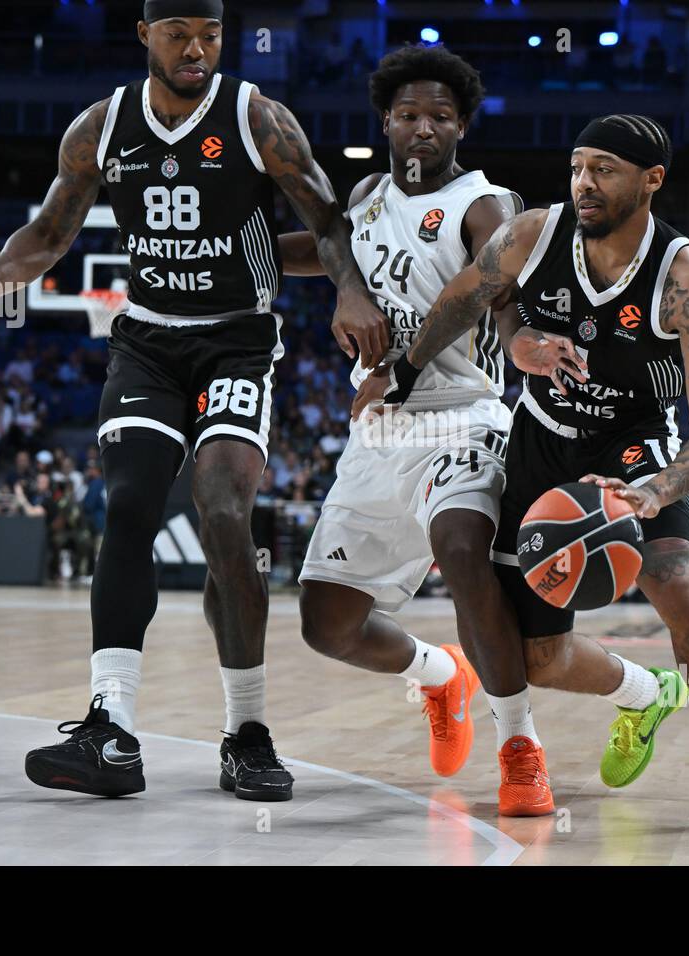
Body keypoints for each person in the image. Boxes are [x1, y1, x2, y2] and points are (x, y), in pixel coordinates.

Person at [0, 1, 387, 800]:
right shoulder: (100, 127)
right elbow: (46, 237)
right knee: (128, 503)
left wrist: (350, 291)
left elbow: (328, 218)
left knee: (226, 513)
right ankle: (111, 728)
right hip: (149, 344)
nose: (196, 50)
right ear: (145, 36)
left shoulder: (257, 118)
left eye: (210, 35)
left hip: (236, 339)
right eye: (178, 35)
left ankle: (248, 731)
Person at [357, 114, 689, 833]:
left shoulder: (686, 280)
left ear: (652, 180)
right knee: (536, 657)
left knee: (676, 583)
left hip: (635, 446)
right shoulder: (534, 234)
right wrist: (401, 373)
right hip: (543, 439)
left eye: (605, 169)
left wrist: (654, 490)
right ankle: (644, 694)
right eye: (577, 166)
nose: (584, 183)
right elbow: (467, 297)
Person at [276, 46, 553, 813]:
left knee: (463, 550)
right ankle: (441, 673)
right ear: (385, 124)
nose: (422, 128)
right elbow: (330, 252)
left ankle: (520, 747)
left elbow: (493, 291)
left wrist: (523, 335)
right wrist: (276, 268)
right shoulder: (364, 195)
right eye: (408, 116)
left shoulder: (483, 203)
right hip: (381, 432)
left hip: (464, 419)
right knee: (325, 626)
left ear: (462, 124)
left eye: (439, 116)